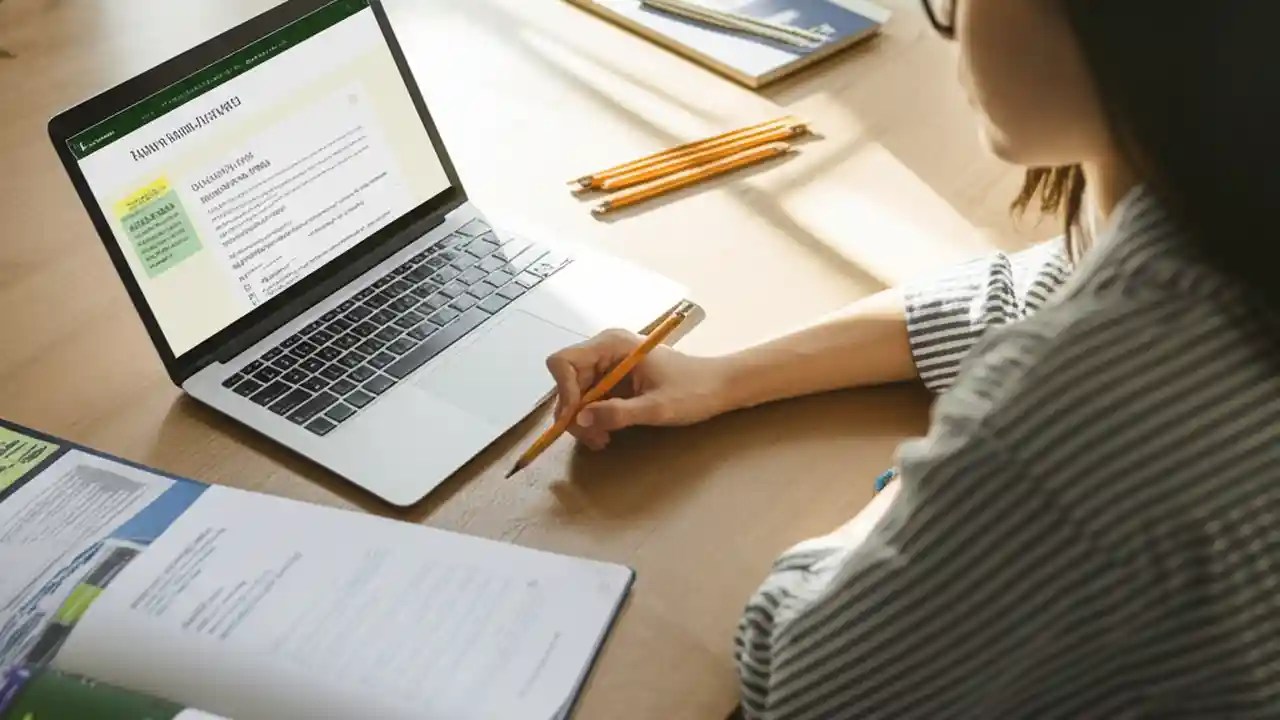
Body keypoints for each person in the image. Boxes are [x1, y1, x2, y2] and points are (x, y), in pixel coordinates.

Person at [547, 0, 1280, 716]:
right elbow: (1026, 286)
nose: (951, 20)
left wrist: (912, 490)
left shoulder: (1083, 412)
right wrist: (726, 376)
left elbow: (800, 682)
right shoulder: (1224, 209)